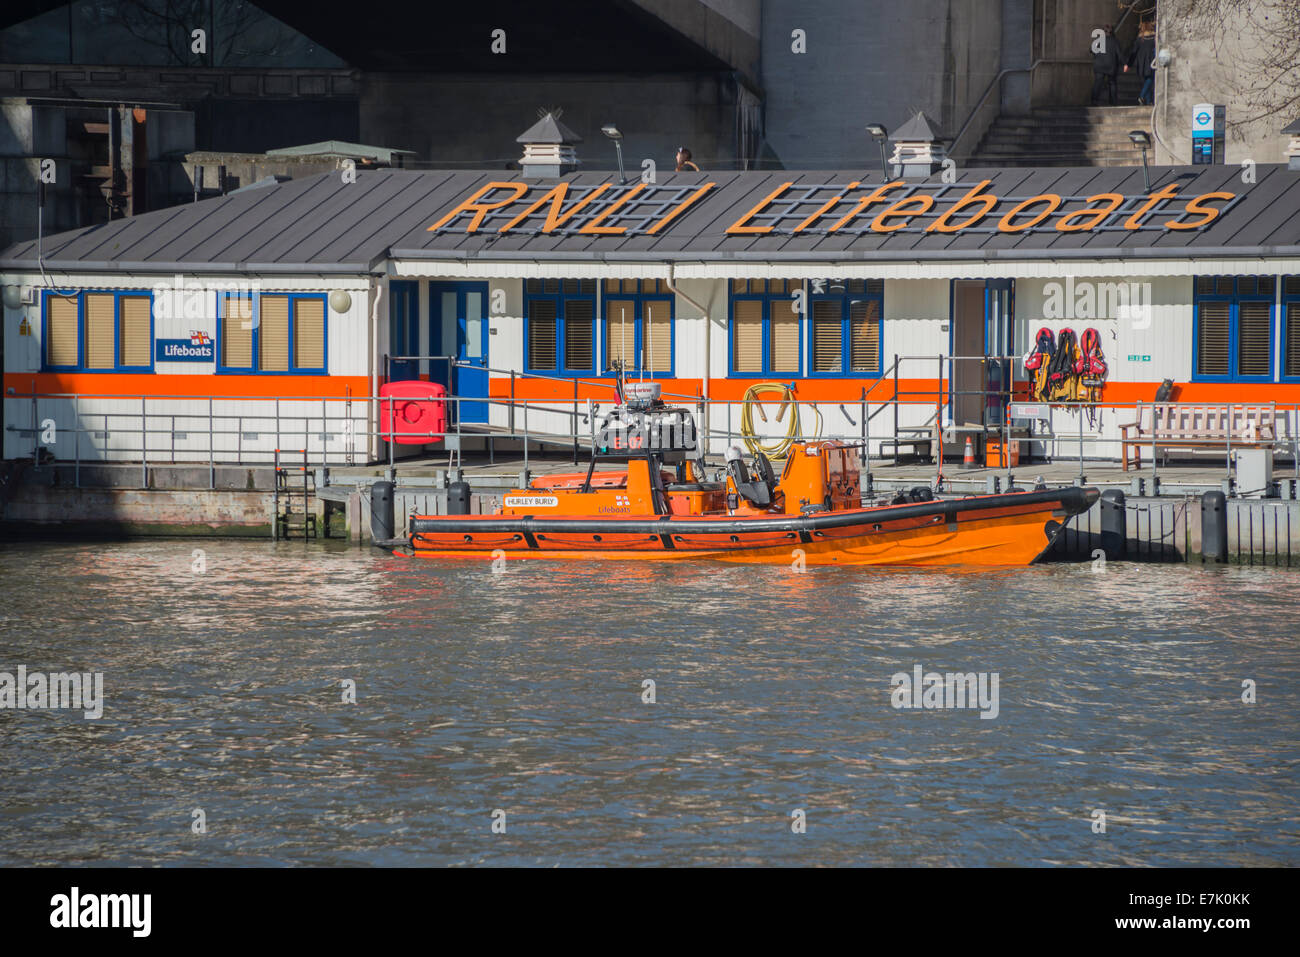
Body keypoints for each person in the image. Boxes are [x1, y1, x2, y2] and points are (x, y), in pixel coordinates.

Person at [1125, 22, 1157, 106]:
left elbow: (1134, 52)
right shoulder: (1154, 38)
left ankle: (1148, 101)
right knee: (1150, 79)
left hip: (1141, 63)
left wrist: (1128, 64)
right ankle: (1142, 96)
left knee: (1146, 80)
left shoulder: (1140, 39)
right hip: (1151, 61)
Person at [1090, 23, 1121, 106]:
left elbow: (1092, 50)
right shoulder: (1115, 41)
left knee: (1098, 83)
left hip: (1099, 65)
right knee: (1112, 83)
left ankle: (1094, 100)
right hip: (1111, 65)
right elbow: (1119, 54)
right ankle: (1113, 102)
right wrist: (1124, 63)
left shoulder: (1098, 40)